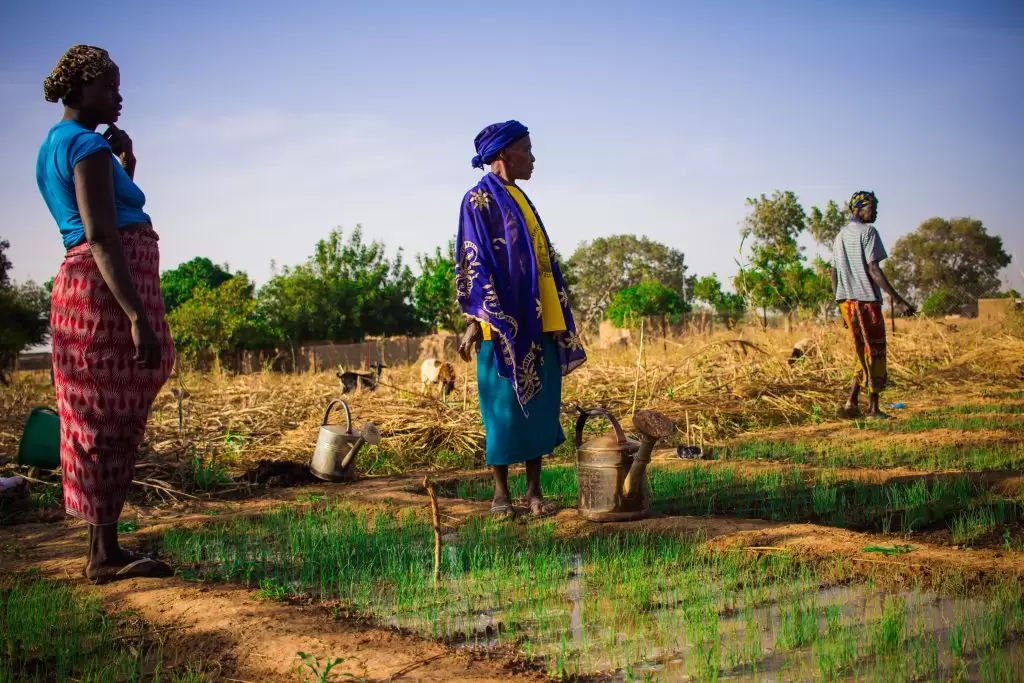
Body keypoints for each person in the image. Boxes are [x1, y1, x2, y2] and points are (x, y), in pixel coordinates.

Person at [36, 45, 175, 583]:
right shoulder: (84, 145)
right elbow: (99, 234)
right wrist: (136, 315)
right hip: (104, 290)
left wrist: (127, 166)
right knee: (108, 416)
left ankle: (105, 544)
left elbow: (104, 213)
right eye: (109, 87)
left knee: (95, 414)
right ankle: (103, 555)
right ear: (79, 89)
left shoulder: (56, 144)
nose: (119, 97)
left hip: (86, 288)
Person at [455, 121, 586, 518]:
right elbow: (473, 258)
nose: (533, 158)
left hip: (541, 321)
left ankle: (533, 494)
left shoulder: (522, 199)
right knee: (502, 413)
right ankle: (500, 495)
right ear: (503, 155)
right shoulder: (477, 200)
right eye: (527, 150)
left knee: (539, 411)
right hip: (503, 329)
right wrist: (476, 321)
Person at [830, 191, 914, 419]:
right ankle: (873, 409)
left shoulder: (839, 237)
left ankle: (851, 402)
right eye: (872, 207)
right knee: (874, 352)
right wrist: (898, 299)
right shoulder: (868, 232)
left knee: (861, 352)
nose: (875, 212)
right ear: (859, 209)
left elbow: (834, 272)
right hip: (866, 302)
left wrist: (839, 305)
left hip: (847, 303)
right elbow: (873, 269)